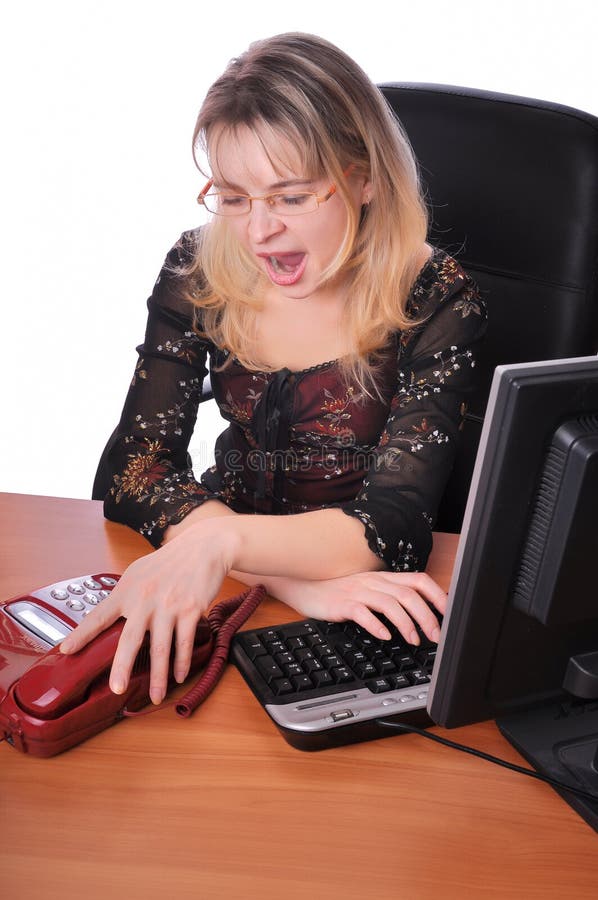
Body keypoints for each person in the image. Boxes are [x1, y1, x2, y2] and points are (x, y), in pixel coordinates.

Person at [60, 32, 486, 706]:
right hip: (235, 590)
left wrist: (222, 543)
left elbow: (393, 530)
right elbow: (134, 468)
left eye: (290, 197)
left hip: (353, 618)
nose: (257, 233)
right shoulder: (197, 266)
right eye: (233, 197)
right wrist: (285, 579)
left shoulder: (436, 296)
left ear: (363, 177)